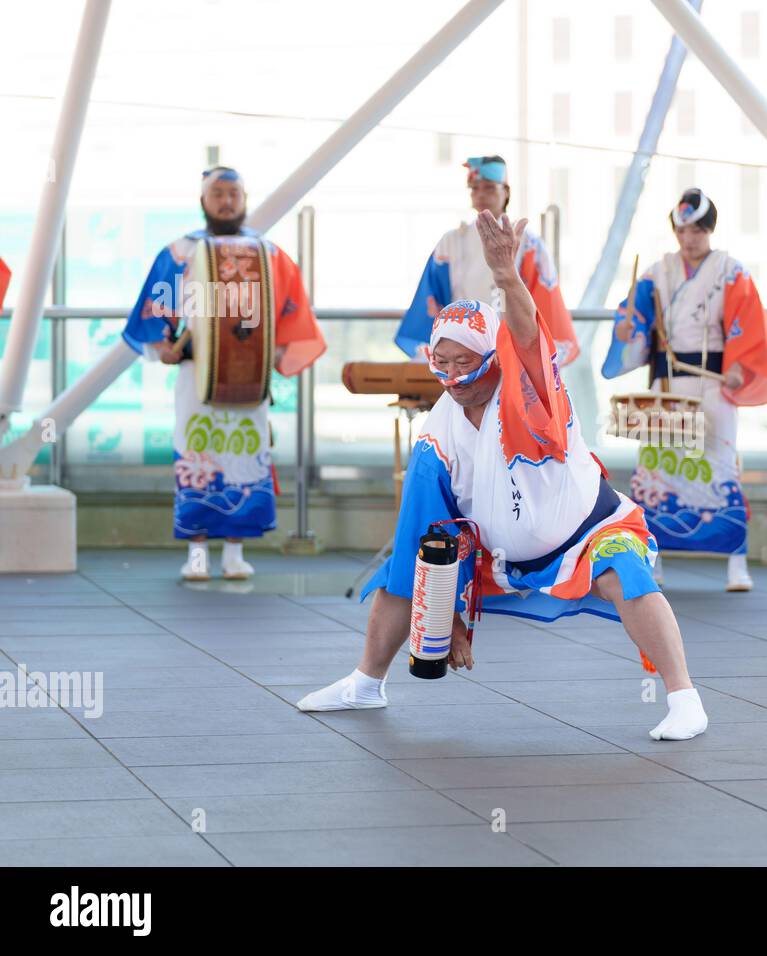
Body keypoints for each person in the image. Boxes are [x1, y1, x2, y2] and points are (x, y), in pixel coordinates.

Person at [298, 210, 708, 742]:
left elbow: (530, 336)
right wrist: (447, 609)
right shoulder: (437, 431)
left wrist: (506, 276)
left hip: (584, 532)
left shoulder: (530, 392)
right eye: (439, 364)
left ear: (496, 359)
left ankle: (685, 699)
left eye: (464, 364)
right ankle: (364, 683)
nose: (451, 378)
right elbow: (431, 532)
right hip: (499, 552)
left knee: (624, 576)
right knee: (398, 578)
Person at [121, 166, 325, 581]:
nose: (227, 201)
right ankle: (196, 551)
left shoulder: (267, 253)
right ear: (203, 201)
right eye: (218, 193)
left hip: (249, 375)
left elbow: (291, 307)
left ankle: (235, 551)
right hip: (196, 372)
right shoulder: (180, 252)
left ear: (245, 199)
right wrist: (164, 345)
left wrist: (275, 350)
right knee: (195, 451)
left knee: (244, 454)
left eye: (234, 193)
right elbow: (157, 304)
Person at [601, 188, 767, 592]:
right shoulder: (657, 272)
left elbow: (746, 324)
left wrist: (738, 366)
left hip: (714, 382)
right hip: (668, 382)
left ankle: (737, 563)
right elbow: (634, 315)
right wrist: (627, 329)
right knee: (658, 468)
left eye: (697, 230)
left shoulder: (730, 271)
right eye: (683, 230)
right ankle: (654, 559)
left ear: (708, 230)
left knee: (719, 462)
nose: (689, 238)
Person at [394, 155, 579, 366]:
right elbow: (432, 298)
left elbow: (543, 303)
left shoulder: (528, 243)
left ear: (506, 192)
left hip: (514, 353)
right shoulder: (451, 241)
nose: (480, 194)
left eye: (489, 188)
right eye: (474, 188)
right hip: (461, 355)